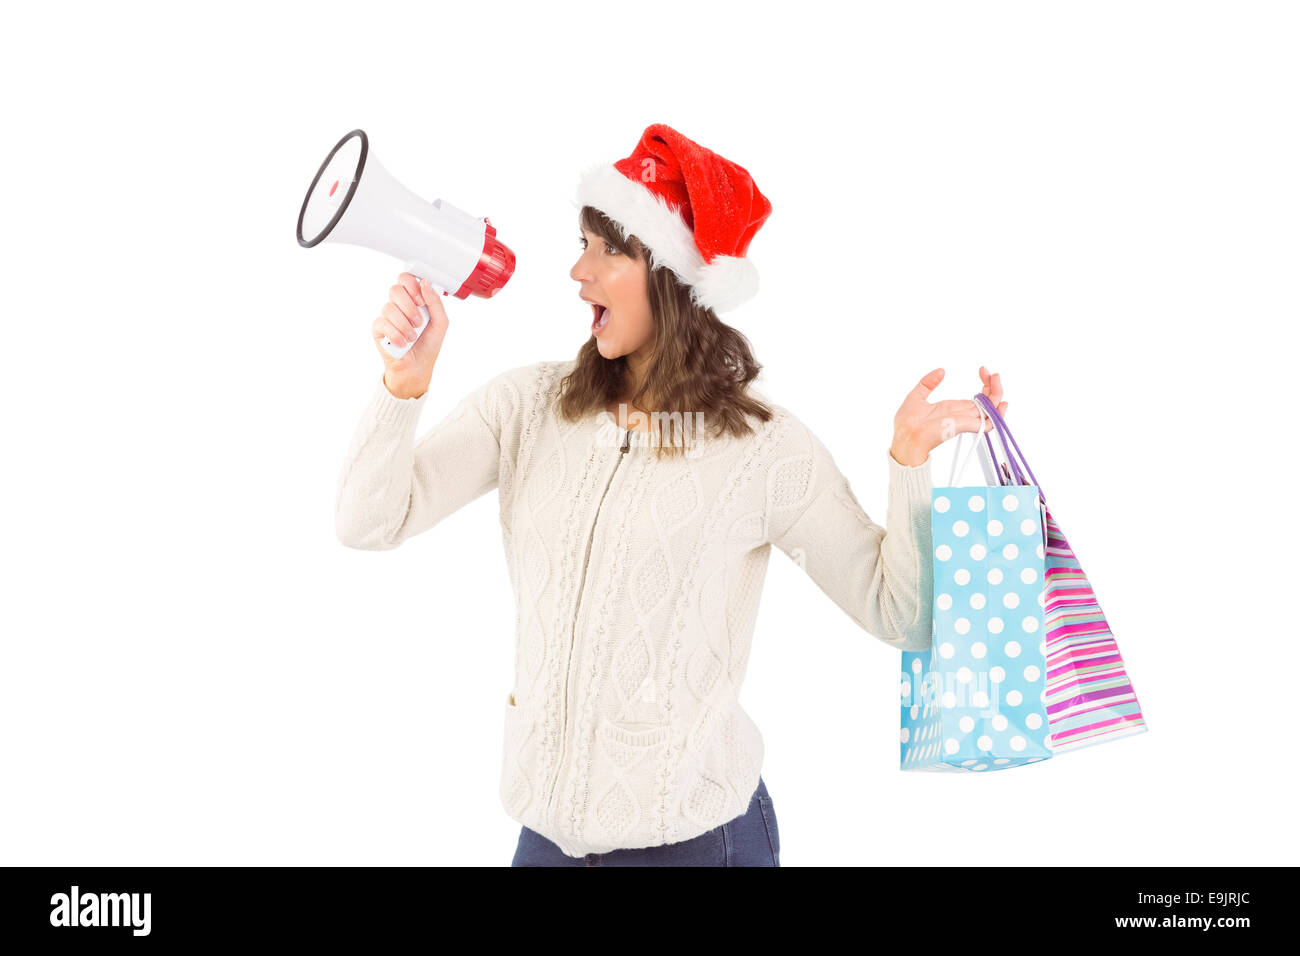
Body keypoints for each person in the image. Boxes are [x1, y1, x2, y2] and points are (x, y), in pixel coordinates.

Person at [334, 123, 1008, 867]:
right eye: (582, 244)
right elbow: (370, 521)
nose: (577, 272)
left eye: (608, 249)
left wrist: (908, 461)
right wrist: (404, 385)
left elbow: (901, 615)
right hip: (545, 841)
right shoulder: (524, 408)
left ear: (675, 280)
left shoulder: (764, 449)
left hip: (696, 845)